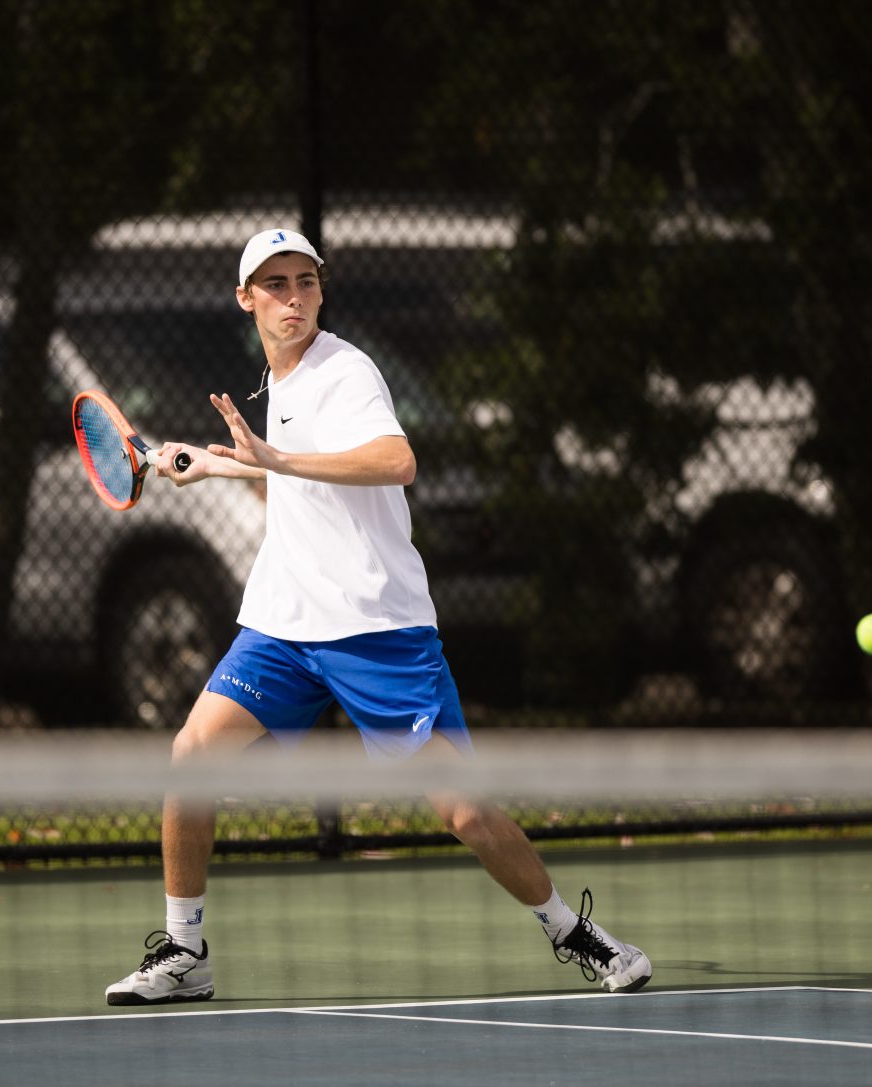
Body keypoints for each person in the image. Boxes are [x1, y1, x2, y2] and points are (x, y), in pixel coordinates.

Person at [104, 228, 651, 1005]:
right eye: (275, 284)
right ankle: (186, 952)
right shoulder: (276, 382)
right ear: (246, 298)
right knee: (190, 755)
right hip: (284, 623)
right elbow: (287, 468)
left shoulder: (348, 370)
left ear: (321, 291)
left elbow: (397, 462)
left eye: (305, 282)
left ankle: (575, 933)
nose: (293, 298)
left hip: (377, 629)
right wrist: (207, 459)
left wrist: (273, 460)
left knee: (462, 808)